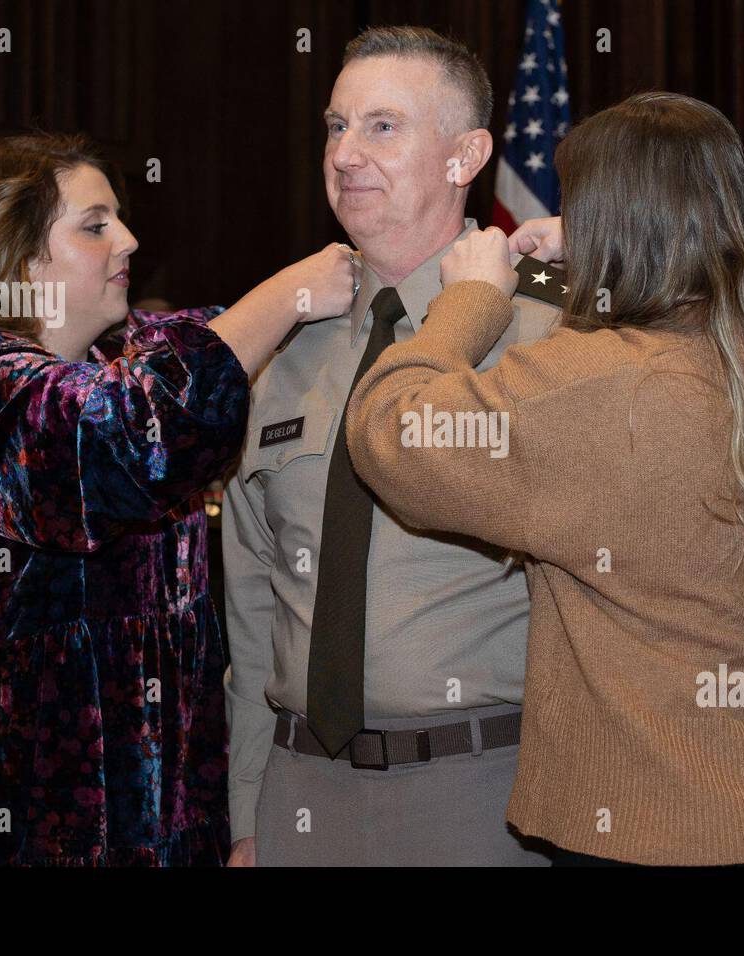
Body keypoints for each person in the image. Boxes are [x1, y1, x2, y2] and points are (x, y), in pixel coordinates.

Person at [345, 92, 744, 866]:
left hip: (651, 836)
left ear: (606, 221)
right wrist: (622, 236)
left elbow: (388, 429)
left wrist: (471, 299)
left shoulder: (589, 387)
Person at [0, 132, 356, 865]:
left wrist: (532, 271)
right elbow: (134, 436)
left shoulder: (129, 355)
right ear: (16, 256)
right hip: (3, 819)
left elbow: (212, 350)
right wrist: (286, 293)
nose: (127, 238)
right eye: (94, 225)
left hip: (158, 815)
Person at [222, 26, 564, 866]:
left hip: (484, 792)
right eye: (337, 127)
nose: (345, 154)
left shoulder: (550, 335)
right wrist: (245, 815)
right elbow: (252, 608)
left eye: (382, 127)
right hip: (301, 792)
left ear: (467, 155)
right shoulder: (285, 344)